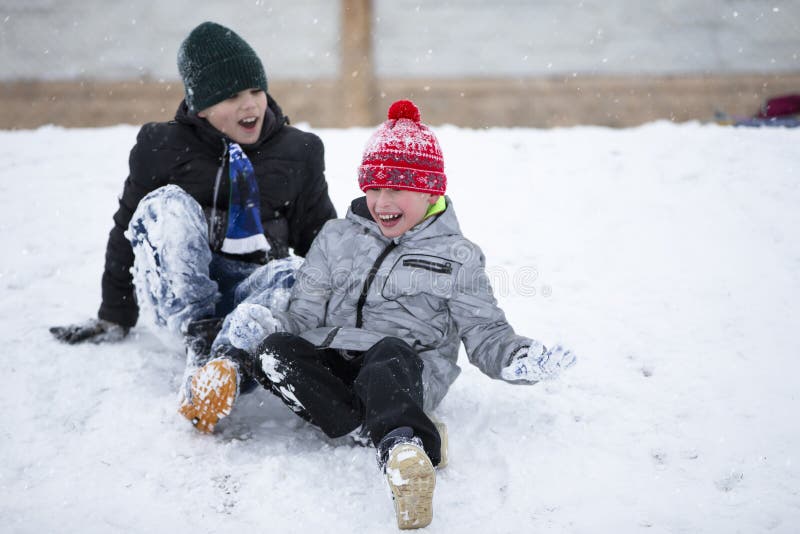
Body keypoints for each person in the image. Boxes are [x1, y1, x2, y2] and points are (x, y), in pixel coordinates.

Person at [179, 99, 576, 529]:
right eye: (374, 187)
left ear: (431, 190)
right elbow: (303, 315)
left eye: (398, 188)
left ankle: (403, 450)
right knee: (275, 351)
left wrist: (518, 357)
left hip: (404, 368)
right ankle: (380, 429)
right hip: (334, 361)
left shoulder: (457, 256)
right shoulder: (336, 237)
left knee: (387, 356)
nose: (382, 201)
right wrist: (261, 339)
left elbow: (486, 333)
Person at [49, 21, 337, 392]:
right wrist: (114, 314)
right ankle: (204, 342)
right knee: (167, 206)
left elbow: (320, 240)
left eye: (256, 90)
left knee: (295, 273)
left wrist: (343, 321)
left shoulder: (298, 151)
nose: (250, 104)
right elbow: (127, 229)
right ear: (201, 107)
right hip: (178, 300)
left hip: (252, 298)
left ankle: (228, 366)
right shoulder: (161, 147)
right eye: (232, 97)